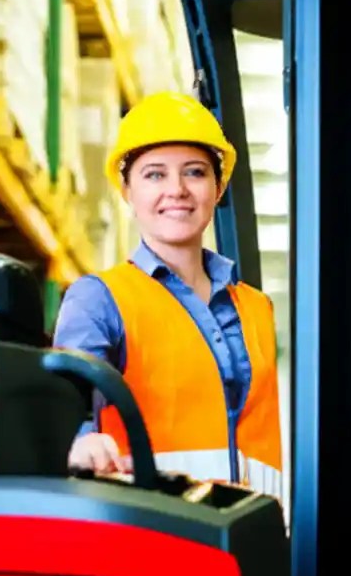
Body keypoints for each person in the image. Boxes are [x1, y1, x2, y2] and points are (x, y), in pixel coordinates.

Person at [53, 91, 283, 502]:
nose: (176, 189)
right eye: (154, 175)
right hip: (154, 538)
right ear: (127, 190)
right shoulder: (100, 299)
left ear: (218, 186)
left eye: (194, 172)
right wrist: (81, 439)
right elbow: (70, 397)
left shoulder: (256, 307)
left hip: (253, 536)